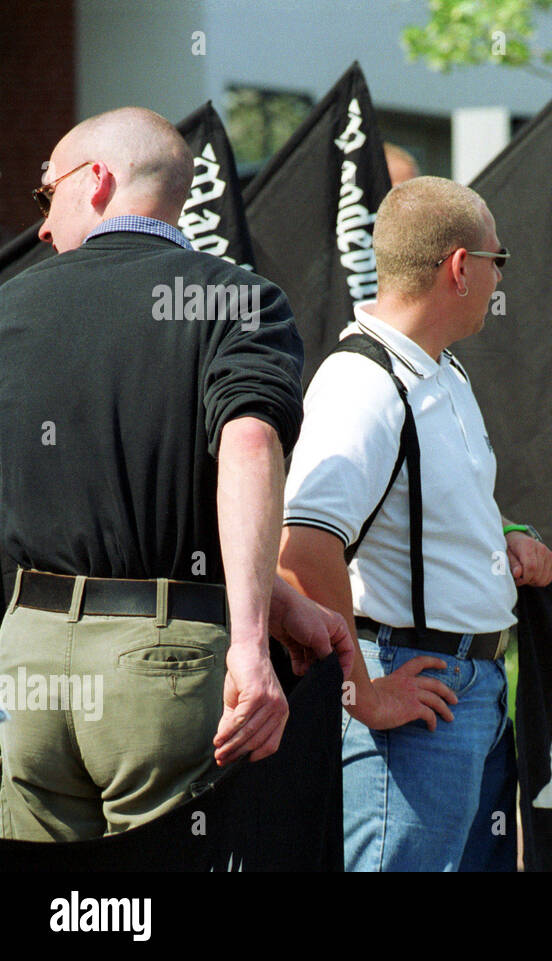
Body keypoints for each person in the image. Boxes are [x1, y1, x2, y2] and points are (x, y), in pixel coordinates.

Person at [0, 107, 351, 842]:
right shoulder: (238, 300)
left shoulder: (11, 306)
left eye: (46, 197)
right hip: (164, 667)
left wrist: (279, 602)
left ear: (97, 183)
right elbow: (249, 450)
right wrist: (254, 642)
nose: (40, 226)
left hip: (25, 662)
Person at [277, 175, 552, 872]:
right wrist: (362, 690)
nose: (498, 278)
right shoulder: (363, 383)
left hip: (462, 690)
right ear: (462, 267)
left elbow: (428, 507)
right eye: (499, 260)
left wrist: (504, 537)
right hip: (414, 688)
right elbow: (304, 547)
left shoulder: (440, 371)